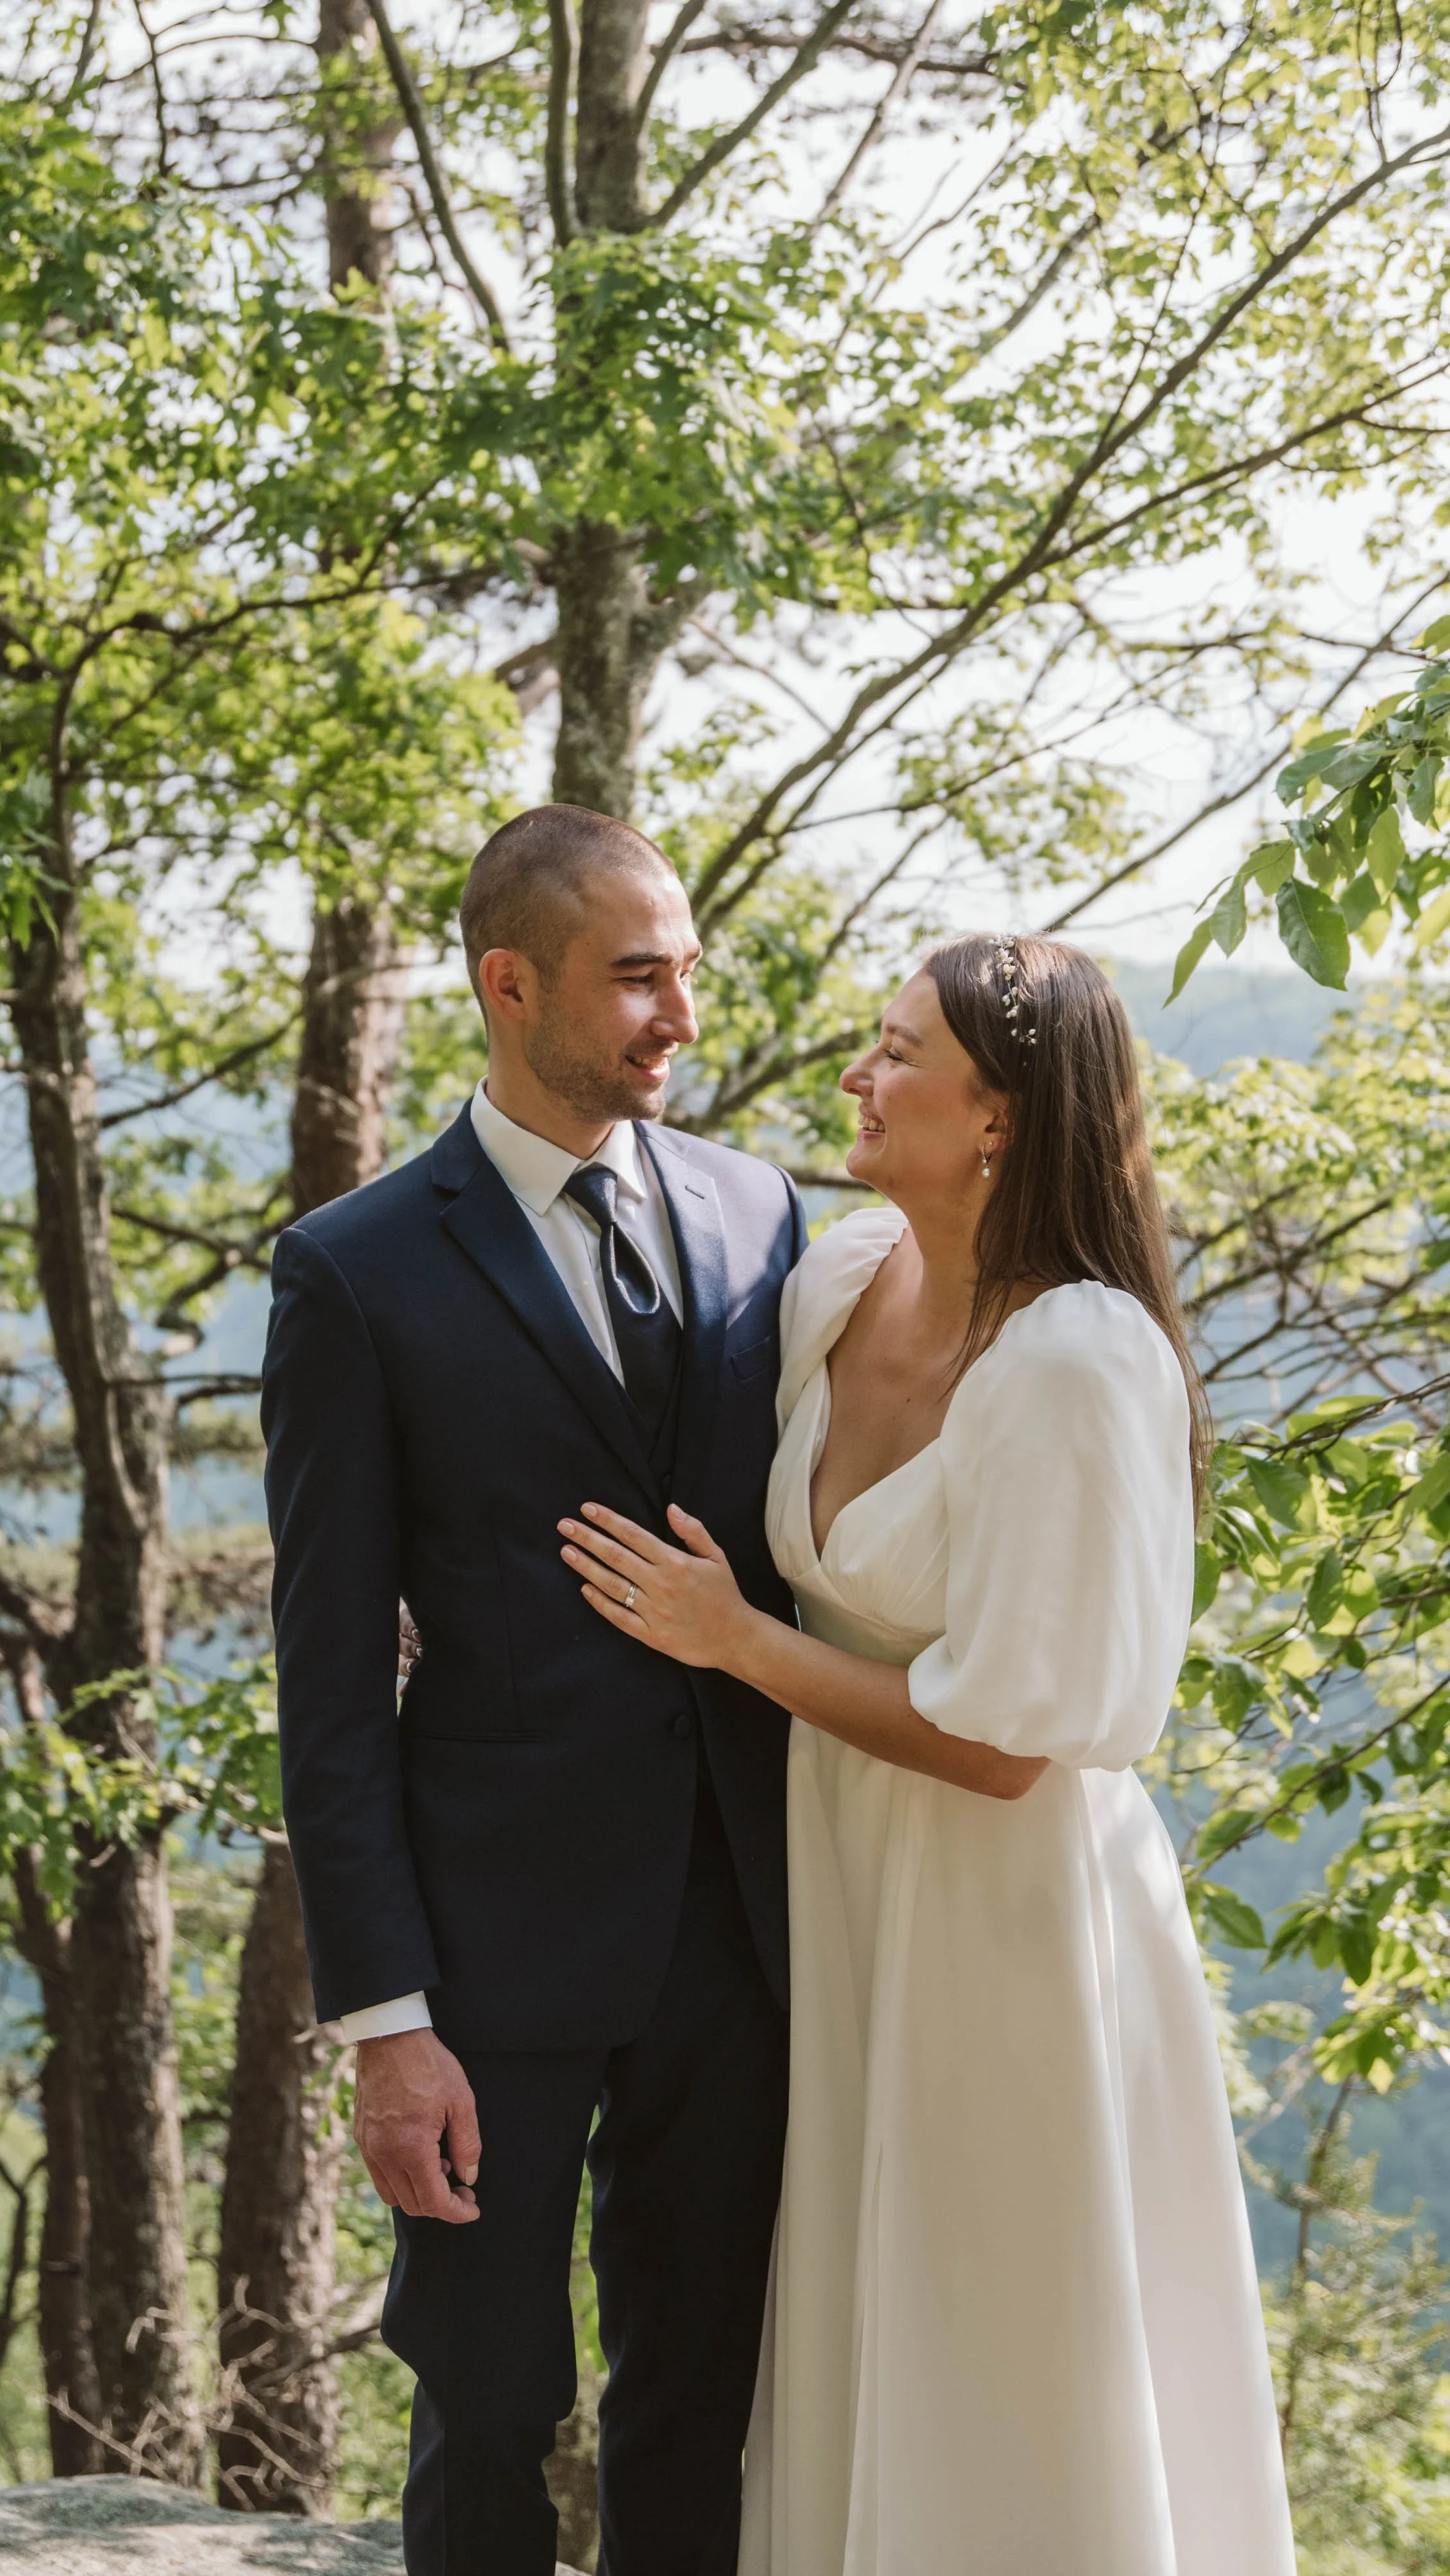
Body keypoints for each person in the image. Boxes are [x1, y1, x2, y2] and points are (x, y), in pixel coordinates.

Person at [561, 933, 1297, 2576]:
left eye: (897, 1054)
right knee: (849, 2300)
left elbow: (1007, 1755)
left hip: (999, 1911)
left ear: (998, 1119)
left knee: (998, 2320)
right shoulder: (839, 1277)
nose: (855, 1075)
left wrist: (739, 1644)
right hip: (827, 1873)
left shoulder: (1077, 1360)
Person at [261, 804, 803, 2576]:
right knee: (491, 2404)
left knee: (697, 2394)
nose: (678, 1014)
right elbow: (329, 1682)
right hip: (487, 1954)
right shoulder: (353, 1268)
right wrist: (384, 2018)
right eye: (637, 976)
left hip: (737, 1928)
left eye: (688, 973)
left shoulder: (759, 1207)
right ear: (510, 985)